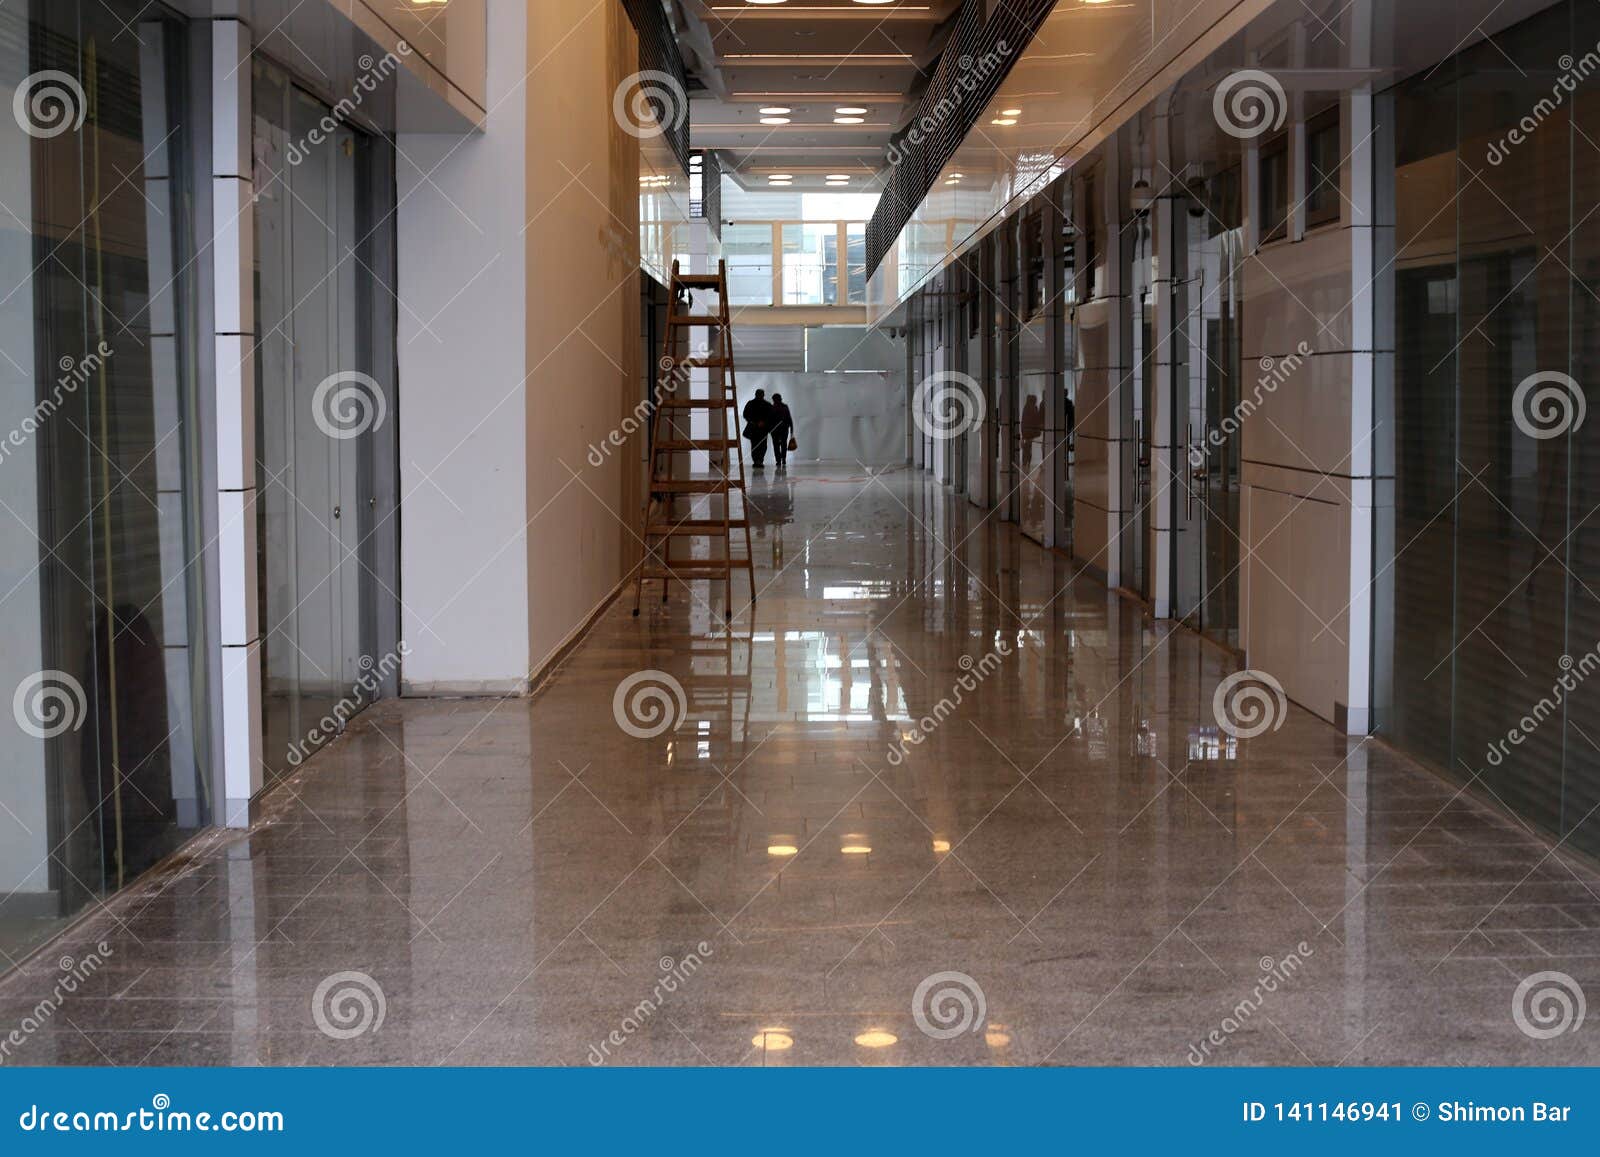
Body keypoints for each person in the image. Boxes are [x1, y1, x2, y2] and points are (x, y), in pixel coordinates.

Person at [743, 388, 773, 469]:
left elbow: (745, 414)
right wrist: (763, 422)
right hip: (762, 429)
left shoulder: (751, 403)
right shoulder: (767, 404)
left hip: (755, 428)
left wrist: (754, 422)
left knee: (755, 445)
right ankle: (758, 460)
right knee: (761, 445)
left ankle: (757, 460)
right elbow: (772, 416)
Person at [769, 393, 794, 469]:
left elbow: (788, 418)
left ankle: (780, 459)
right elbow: (789, 419)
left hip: (778, 430)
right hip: (781, 429)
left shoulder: (773, 407)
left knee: (778, 445)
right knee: (782, 445)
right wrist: (791, 429)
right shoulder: (783, 407)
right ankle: (782, 459)